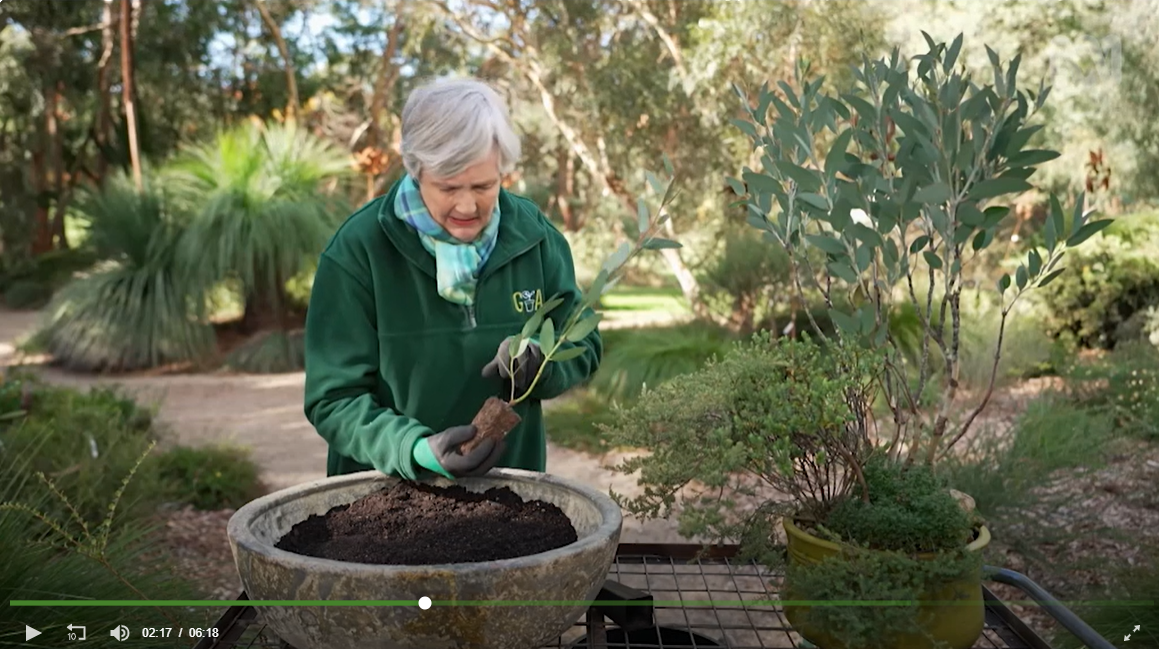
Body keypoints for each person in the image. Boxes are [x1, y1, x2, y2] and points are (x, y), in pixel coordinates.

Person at [302, 77, 603, 482]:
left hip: (513, 500)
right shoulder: (358, 251)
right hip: (382, 505)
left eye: (484, 186)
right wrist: (415, 450)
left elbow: (583, 340)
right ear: (415, 170)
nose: (467, 205)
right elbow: (333, 400)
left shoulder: (535, 238)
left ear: (503, 171)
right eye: (448, 187)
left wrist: (543, 363)